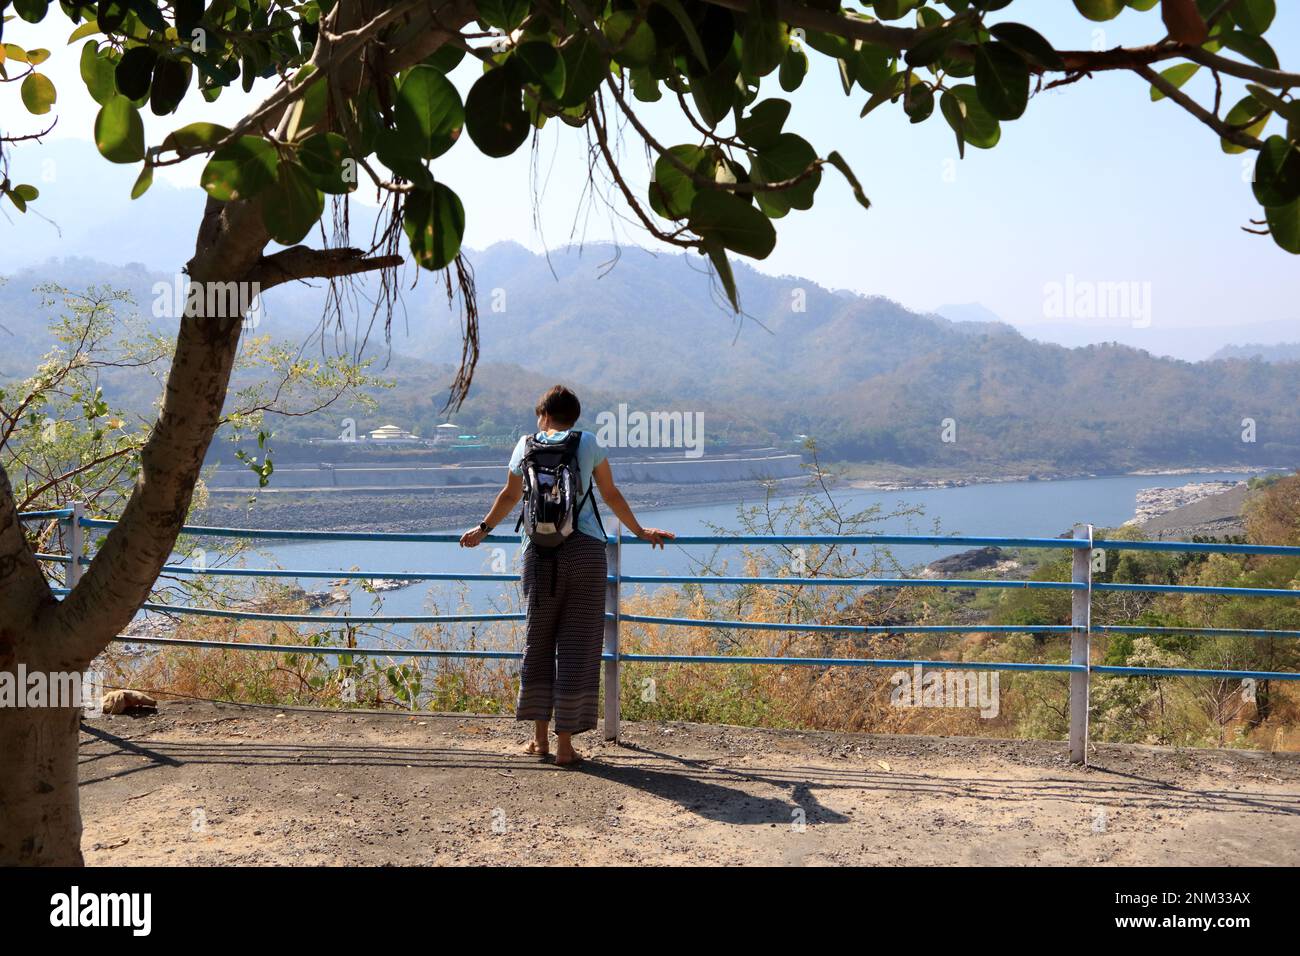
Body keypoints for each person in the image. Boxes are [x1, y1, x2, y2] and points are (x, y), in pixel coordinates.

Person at [459, 385, 674, 767]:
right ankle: (565, 747)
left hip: (538, 554)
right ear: (574, 417)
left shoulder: (525, 443)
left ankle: (538, 741)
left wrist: (482, 529)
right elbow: (610, 494)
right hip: (585, 552)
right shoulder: (587, 442)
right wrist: (641, 531)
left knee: (537, 642)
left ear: (542, 415)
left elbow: (509, 496)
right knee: (578, 645)